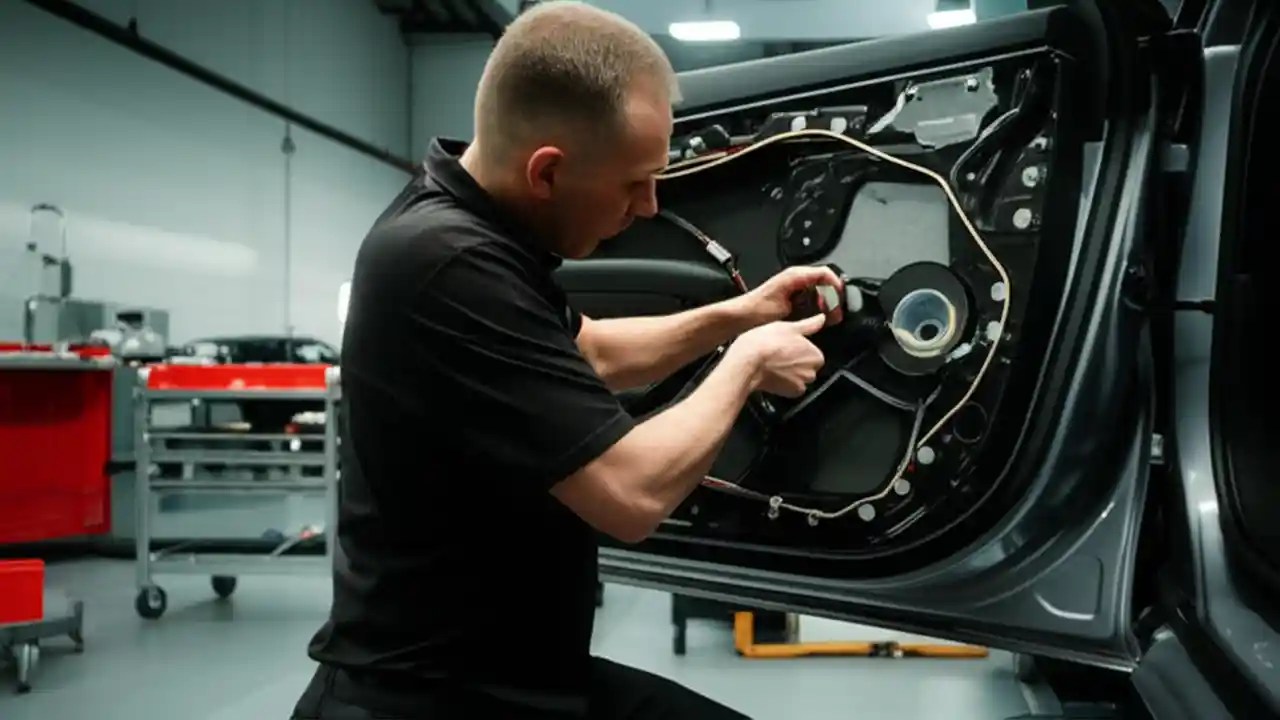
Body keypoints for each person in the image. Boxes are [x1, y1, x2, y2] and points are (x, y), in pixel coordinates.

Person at [290, 1, 841, 718]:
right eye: (632, 182)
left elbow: (593, 351)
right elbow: (630, 497)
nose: (648, 207)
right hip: (426, 699)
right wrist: (745, 363)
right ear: (546, 172)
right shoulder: (446, 263)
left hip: (517, 675)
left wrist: (741, 315)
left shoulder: (477, 229)